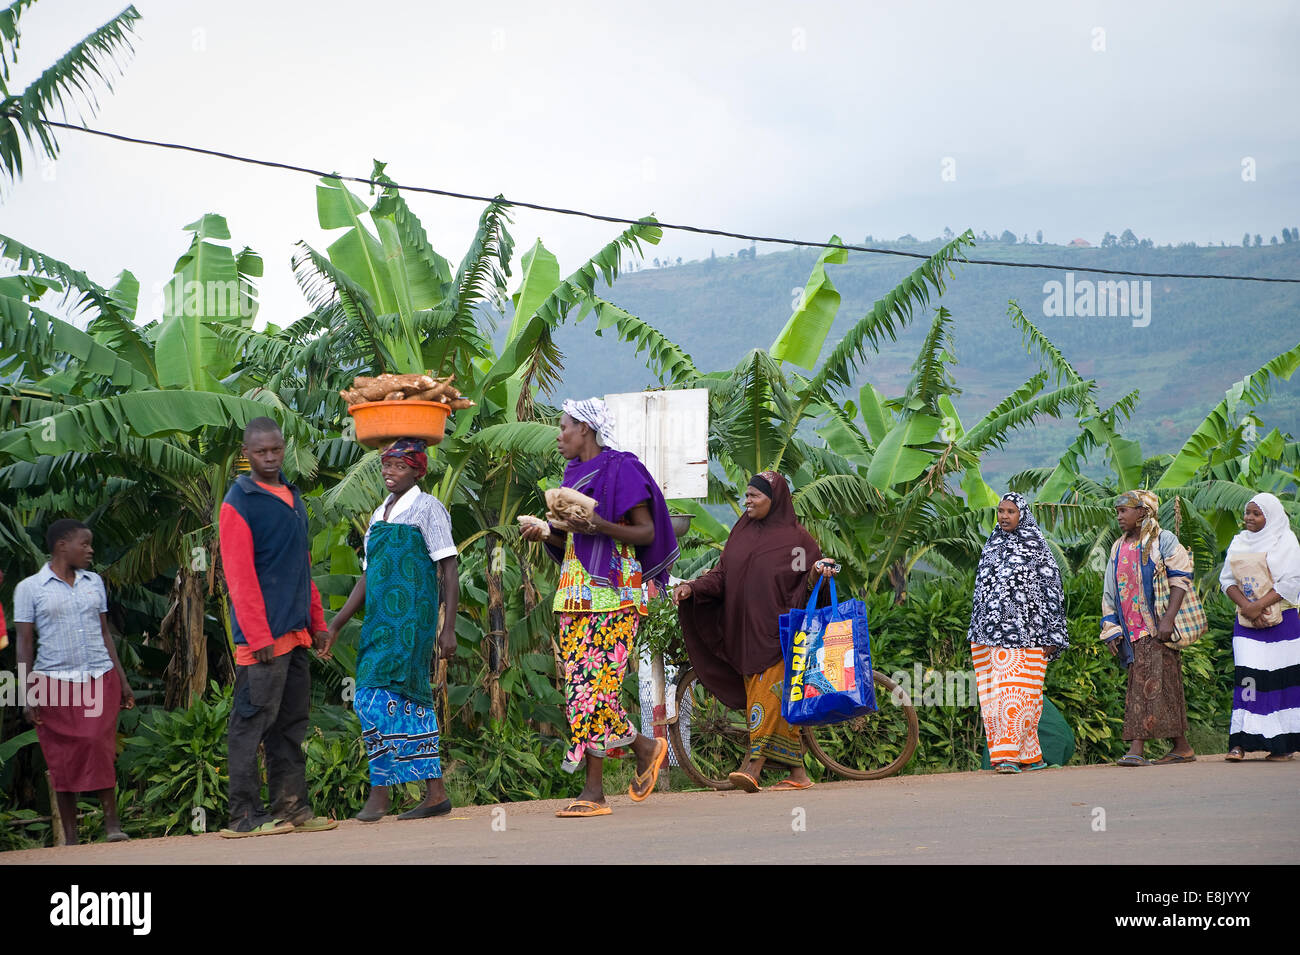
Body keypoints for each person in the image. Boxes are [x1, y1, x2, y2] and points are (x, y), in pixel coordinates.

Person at [519, 398, 675, 817]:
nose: (559, 434)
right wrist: (547, 532)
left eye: (564, 426)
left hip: (616, 596)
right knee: (578, 694)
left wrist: (598, 525)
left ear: (585, 428)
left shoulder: (621, 467)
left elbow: (645, 532)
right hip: (573, 596)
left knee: (596, 692)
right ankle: (636, 756)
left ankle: (606, 781)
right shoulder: (572, 475)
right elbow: (577, 541)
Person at [322, 438, 461, 819]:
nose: (389, 472)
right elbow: (368, 575)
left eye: (399, 466)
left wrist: (447, 628)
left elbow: (449, 569)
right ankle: (432, 792)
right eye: (386, 465)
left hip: (412, 621)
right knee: (385, 699)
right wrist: (336, 624)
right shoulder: (378, 515)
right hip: (380, 622)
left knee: (387, 696)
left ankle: (383, 794)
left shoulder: (428, 508)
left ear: (418, 471)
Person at [675, 471, 839, 792]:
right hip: (744, 631)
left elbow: (806, 579)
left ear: (774, 500)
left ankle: (753, 767)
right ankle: (799, 774)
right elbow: (722, 575)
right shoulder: (741, 533)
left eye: (755, 496)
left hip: (779, 634)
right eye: (747, 495)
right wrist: (693, 588)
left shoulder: (797, 542)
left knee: (766, 693)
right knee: (767, 698)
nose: (747, 501)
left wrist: (817, 570)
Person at [218, 417, 336, 837]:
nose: (269, 458)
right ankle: (244, 817)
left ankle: (292, 809)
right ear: (246, 454)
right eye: (261, 451)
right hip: (262, 642)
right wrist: (257, 635)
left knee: (290, 726)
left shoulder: (292, 495)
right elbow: (239, 577)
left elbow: (303, 566)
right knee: (250, 726)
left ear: (283, 448)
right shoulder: (239, 501)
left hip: (297, 633)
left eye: (276, 450)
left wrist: (318, 622)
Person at [13, 519, 135, 845]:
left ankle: (112, 824)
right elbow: (24, 645)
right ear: (61, 546)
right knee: (61, 754)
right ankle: (70, 837)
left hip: (98, 673)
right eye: (85, 543)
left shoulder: (94, 582)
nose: (91, 550)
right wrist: (28, 693)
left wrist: (122, 680)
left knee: (98, 742)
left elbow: (106, 634)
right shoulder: (29, 588)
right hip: (51, 681)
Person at [968, 493, 1070, 773]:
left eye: (1010, 511)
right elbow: (982, 591)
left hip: (1030, 635)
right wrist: (977, 630)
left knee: (1023, 697)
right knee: (999, 697)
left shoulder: (1037, 547)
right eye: (1001, 511)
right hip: (990, 636)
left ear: (1022, 514)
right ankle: (1026, 756)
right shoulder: (992, 545)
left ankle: (1012, 757)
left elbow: (1053, 593)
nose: (1004, 516)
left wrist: (1054, 635)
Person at [1100, 489, 1197, 766]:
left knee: (1142, 686)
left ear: (1142, 512)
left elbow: (1181, 578)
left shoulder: (1162, 541)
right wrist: (1111, 627)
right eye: (1118, 511)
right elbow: (1110, 591)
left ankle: (1136, 749)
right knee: (1164, 687)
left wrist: (1167, 620)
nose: (1119, 516)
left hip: (1155, 628)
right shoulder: (1118, 547)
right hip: (1131, 632)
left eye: (1124, 510)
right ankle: (1182, 747)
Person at [1219, 492, 1300, 761]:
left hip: (1283, 622)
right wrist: (1248, 608)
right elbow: (1226, 580)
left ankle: (1282, 744)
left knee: (1280, 679)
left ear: (1271, 516)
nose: (1249, 518)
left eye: (1256, 513)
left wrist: (1259, 606)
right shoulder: (1239, 542)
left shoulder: (1286, 541)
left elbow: (1290, 582)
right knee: (1249, 678)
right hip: (1247, 622)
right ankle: (1241, 741)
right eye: (1247, 513)